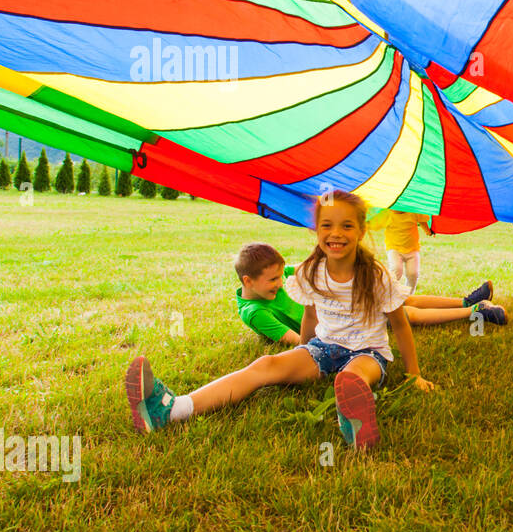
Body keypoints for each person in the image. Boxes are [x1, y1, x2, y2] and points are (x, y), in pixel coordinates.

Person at [125, 190, 435, 449]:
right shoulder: (311, 271)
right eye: (327, 225)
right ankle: (172, 410)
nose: (336, 233)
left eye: (347, 226)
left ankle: (356, 424)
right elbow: (311, 317)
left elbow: (399, 324)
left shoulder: (376, 275)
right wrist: (300, 353)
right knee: (265, 366)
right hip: (324, 349)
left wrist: (414, 374)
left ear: (362, 231)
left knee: (352, 376)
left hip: (367, 353)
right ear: (316, 230)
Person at [234, 242, 503, 343]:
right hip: (346, 323)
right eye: (273, 280)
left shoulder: (281, 278)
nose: (281, 282)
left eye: (281, 276)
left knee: (402, 297)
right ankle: (474, 312)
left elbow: (313, 268)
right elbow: (297, 341)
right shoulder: (256, 312)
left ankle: (467, 300)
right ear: (248, 281)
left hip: (349, 302)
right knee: (407, 313)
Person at [383, 209, 431, 292]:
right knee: (396, 269)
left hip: (412, 250)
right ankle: (389, 292)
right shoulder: (386, 214)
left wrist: (427, 230)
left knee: (413, 274)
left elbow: (422, 220)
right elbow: (373, 223)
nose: (394, 209)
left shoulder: (413, 212)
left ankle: (409, 294)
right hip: (394, 249)